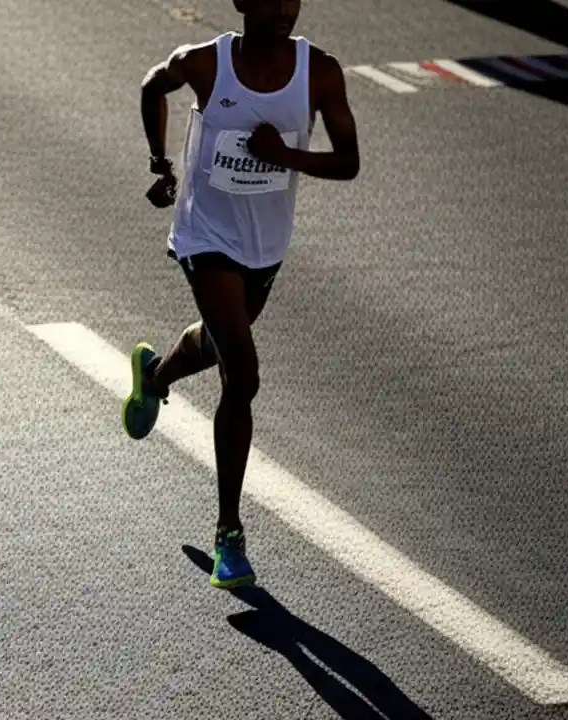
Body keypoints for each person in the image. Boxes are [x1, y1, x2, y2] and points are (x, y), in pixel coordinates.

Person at [128, 0, 360, 589]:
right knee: (244, 373)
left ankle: (155, 375)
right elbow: (154, 86)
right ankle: (229, 535)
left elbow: (348, 161)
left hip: (265, 245)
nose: (283, 9)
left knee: (219, 342)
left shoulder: (319, 71)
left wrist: (284, 156)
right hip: (205, 235)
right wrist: (161, 165)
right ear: (240, 1)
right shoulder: (208, 63)